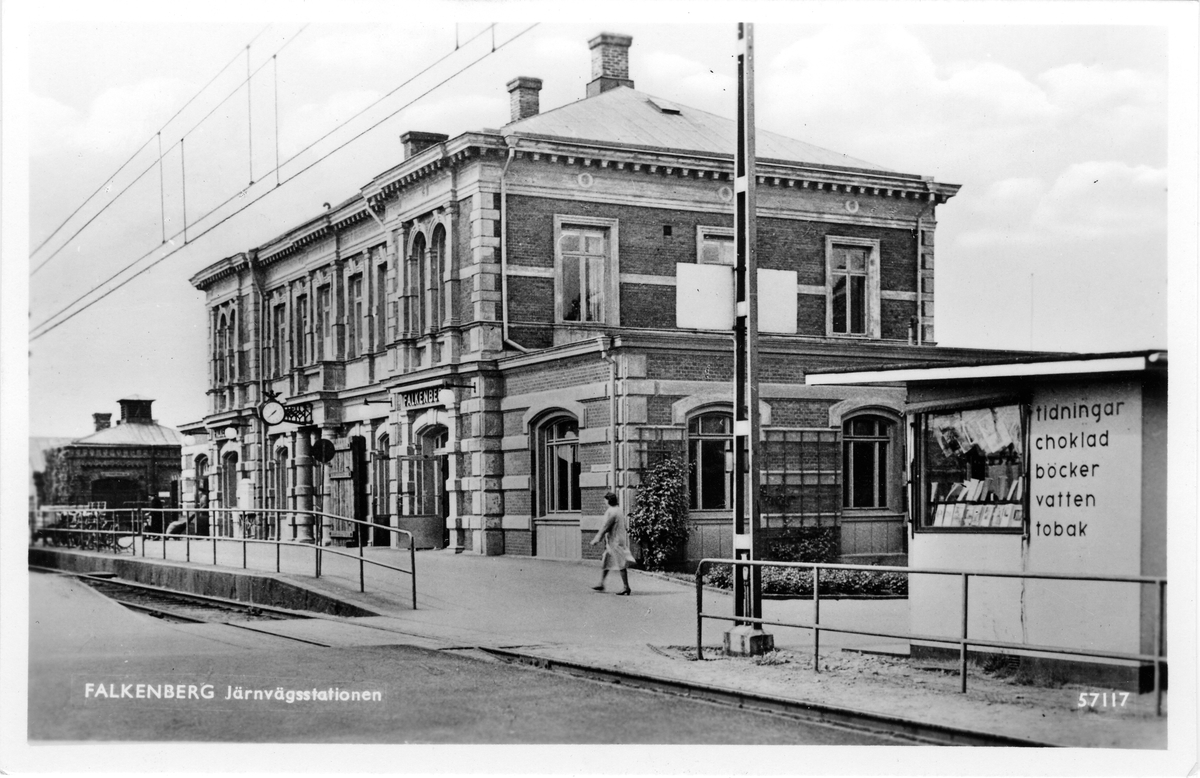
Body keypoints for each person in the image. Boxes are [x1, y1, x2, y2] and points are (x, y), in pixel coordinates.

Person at [590, 492, 632, 595]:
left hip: (615, 542)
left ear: (608, 500)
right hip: (615, 540)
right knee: (607, 560)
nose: (604, 502)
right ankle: (601, 583)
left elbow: (606, 526)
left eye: (605, 500)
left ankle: (626, 587)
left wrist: (597, 538)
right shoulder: (618, 510)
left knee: (621, 563)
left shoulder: (612, 512)